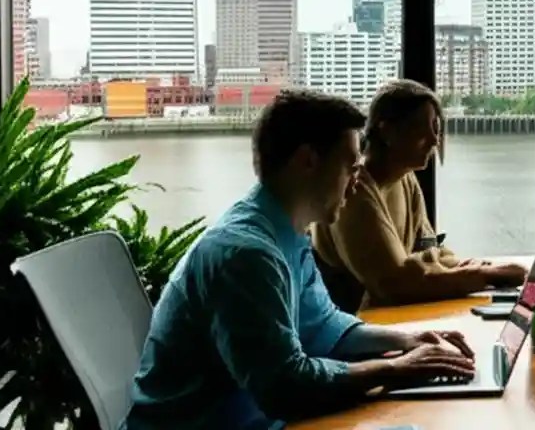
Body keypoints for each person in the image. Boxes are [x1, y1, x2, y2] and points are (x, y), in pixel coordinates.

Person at [123, 90, 477, 430]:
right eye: (350, 167)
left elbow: (324, 325)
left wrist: (408, 341)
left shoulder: (287, 235)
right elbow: (287, 387)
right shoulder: (246, 256)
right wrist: (397, 369)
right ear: (307, 161)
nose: (355, 183)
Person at [311, 79, 527, 309]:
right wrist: (486, 275)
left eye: (436, 127)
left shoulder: (406, 179)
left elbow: (430, 251)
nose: (434, 139)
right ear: (387, 131)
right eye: (422, 128)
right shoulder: (352, 191)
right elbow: (395, 285)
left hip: (393, 319)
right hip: (355, 328)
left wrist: (479, 265)